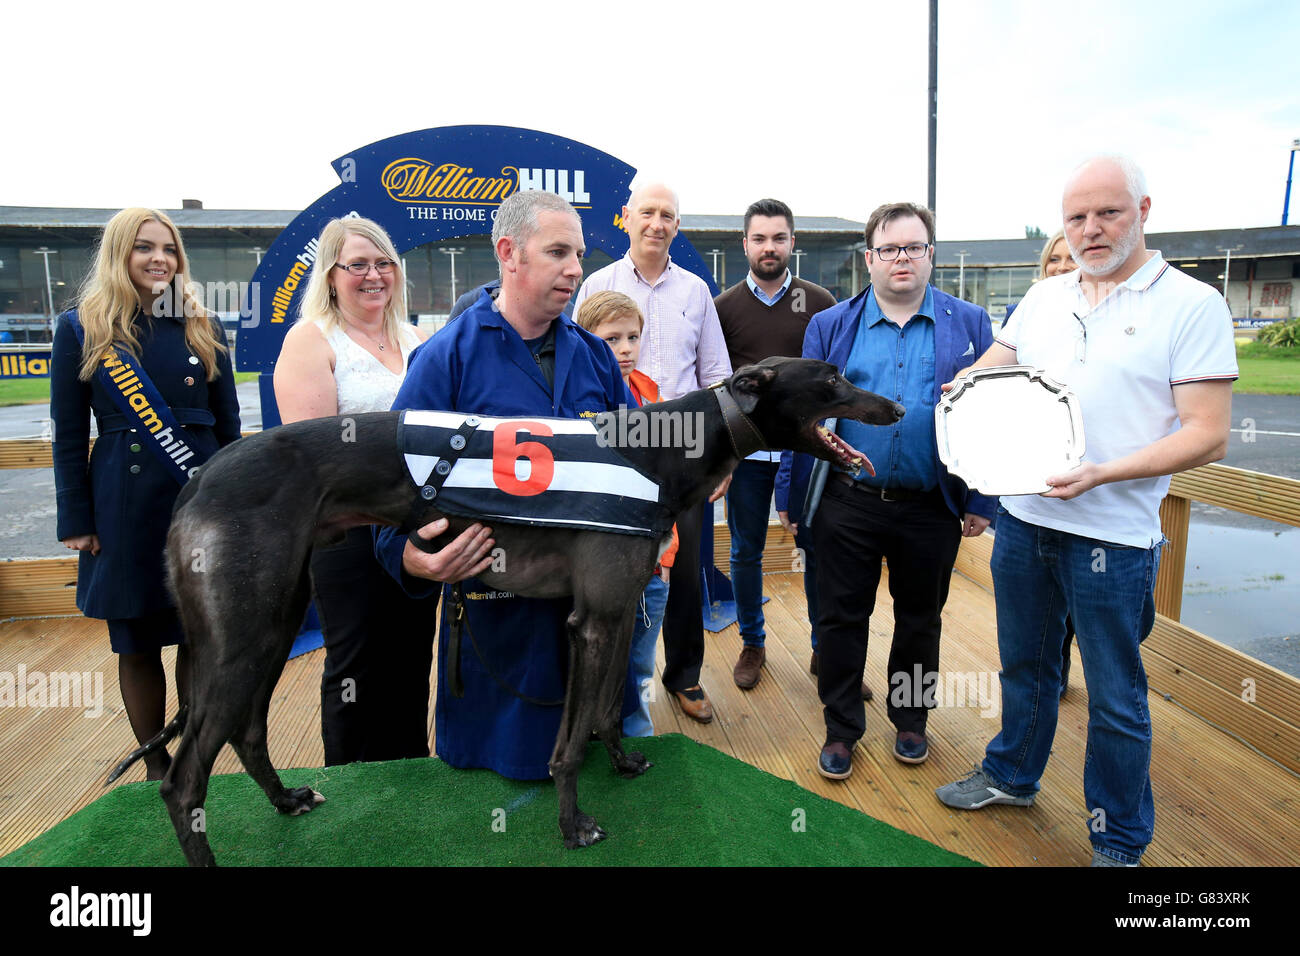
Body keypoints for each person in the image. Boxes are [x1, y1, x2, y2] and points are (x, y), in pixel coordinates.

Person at [934, 156, 1237, 868]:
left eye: (1109, 213)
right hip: (1024, 522)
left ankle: (1119, 840)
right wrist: (966, 383)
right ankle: (1012, 776)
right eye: (1077, 217)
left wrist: (1103, 472)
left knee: (1115, 698)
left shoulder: (1192, 304)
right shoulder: (1045, 297)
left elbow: (1208, 434)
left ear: (1143, 211)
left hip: (1115, 539)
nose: (1091, 229)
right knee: (1025, 667)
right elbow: (996, 363)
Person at [375, 189, 632, 780]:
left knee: (587, 774)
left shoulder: (596, 358)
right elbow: (391, 481)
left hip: (584, 615)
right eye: (558, 252)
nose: (576, 269)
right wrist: (411, 557)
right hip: (493, 623)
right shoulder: (445, 358)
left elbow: (635, 470)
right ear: (509, 253)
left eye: (580, 254)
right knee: (491, 788)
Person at [777, 201, 996, 780]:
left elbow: (989, 415)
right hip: (846, 503)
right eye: (890, 248)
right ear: (869, 258)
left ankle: (911, 719)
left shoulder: (970, 324)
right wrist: (791, 497)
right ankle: (841, 726)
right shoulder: (830, 325)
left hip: (931, 505)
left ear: (931, 255)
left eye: (914, 247)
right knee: (840, 619)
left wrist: (982, 500)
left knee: (920, 620)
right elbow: (799, 415)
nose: (903, 258)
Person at [51, 207, 240, 780]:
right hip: (123, 502)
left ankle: (191, 757)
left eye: (168, 248)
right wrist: (76, 518)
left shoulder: (203, 325)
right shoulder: (83, 327)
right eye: (144, 247)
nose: (159, 258)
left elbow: (229, 428)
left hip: (197, 496)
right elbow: (67, 433)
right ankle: (156, 765)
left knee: (196, 634)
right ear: (119, 254)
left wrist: (237, 508)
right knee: (135, 639)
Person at [272, 217, 433, 765]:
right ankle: (347, 783)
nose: (373, 275)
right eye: (358, 264)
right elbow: (315, 459)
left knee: (412, 656)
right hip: (348, 535)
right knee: (356, 664)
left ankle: (410, 771)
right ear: (331, 275)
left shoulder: (418, 339)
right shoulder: (311, 340)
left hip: (415, 530)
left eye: (384, 263)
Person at [572, 182, 732, 724]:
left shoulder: (696, 291)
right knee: (614, 568)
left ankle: (684, 676)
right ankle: (609, 686)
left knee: (684, 571)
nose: (657, 223)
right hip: (617, 456)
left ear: (676, 226)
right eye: (647, 212)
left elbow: (717, 375)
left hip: (686, 452)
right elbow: (576, 365)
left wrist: (724, 456)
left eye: (667, 215)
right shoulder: (598, 284)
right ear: (626, 218)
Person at [713, 198, 839, 691]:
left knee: (815, 549)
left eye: (779, 238)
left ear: (792, 243)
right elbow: (718, 386)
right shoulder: (723, 308)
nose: (770, 247)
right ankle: (753, 642)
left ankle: (824, 649)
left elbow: (832, 380)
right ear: (745, 244)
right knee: (746, 551)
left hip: (804, 456)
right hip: (746, 456)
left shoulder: (820, 302)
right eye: (760, 238)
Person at [574, 290, 679, 737]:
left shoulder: (652, 395)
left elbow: (666, 485)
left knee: (640, 658)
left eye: (633, 337)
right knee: (595, 655)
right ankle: (591, 734)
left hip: (651, 561)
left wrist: (666, 553)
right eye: (612, 339)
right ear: (585, 339)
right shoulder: (579, 400)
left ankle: (638, 731)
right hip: (600, 561)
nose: (625, 349)